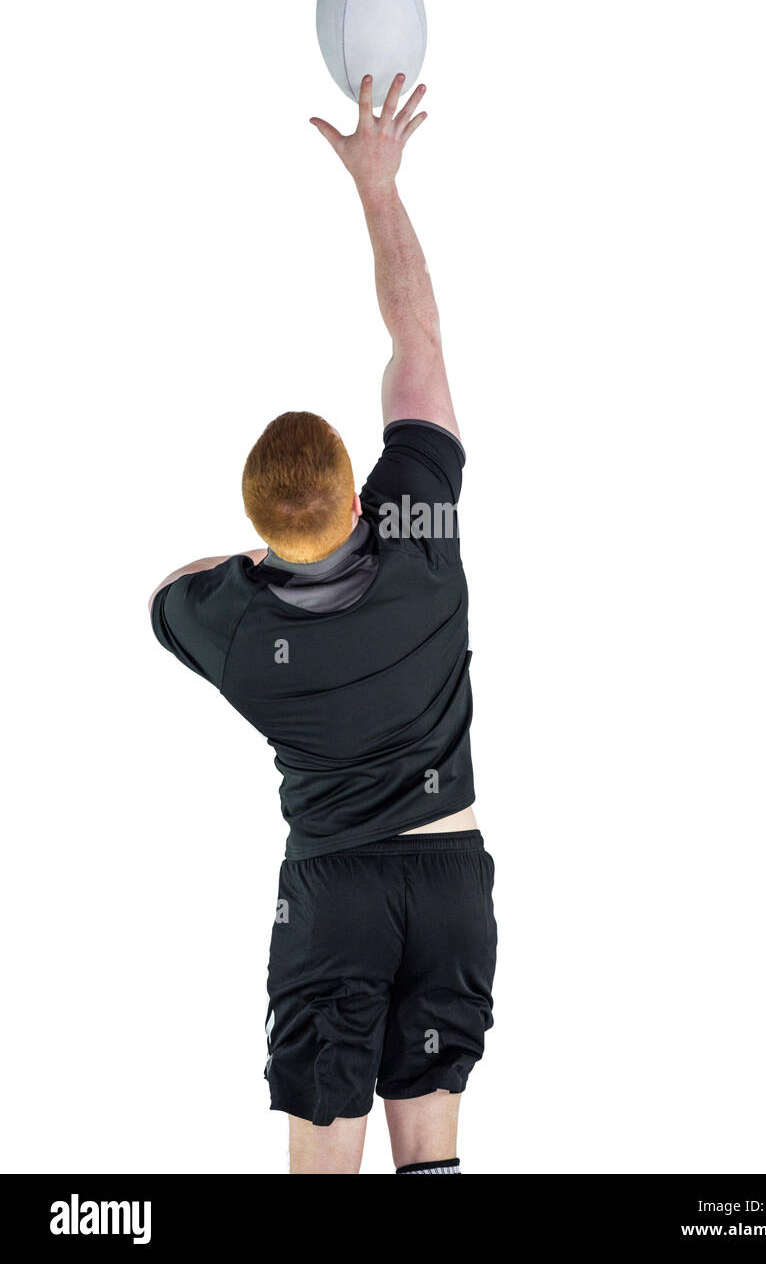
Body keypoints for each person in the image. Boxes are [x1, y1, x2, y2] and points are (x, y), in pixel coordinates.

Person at [149, 73, 496, 1175]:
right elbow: (417, 340)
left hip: (334, 893)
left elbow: (166, 590)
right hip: (448, 880)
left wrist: (262, 560)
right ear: (357, 496)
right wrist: (377, 186)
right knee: (432, 1160)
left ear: (258, 531)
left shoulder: (234, 632)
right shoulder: (420, 536)